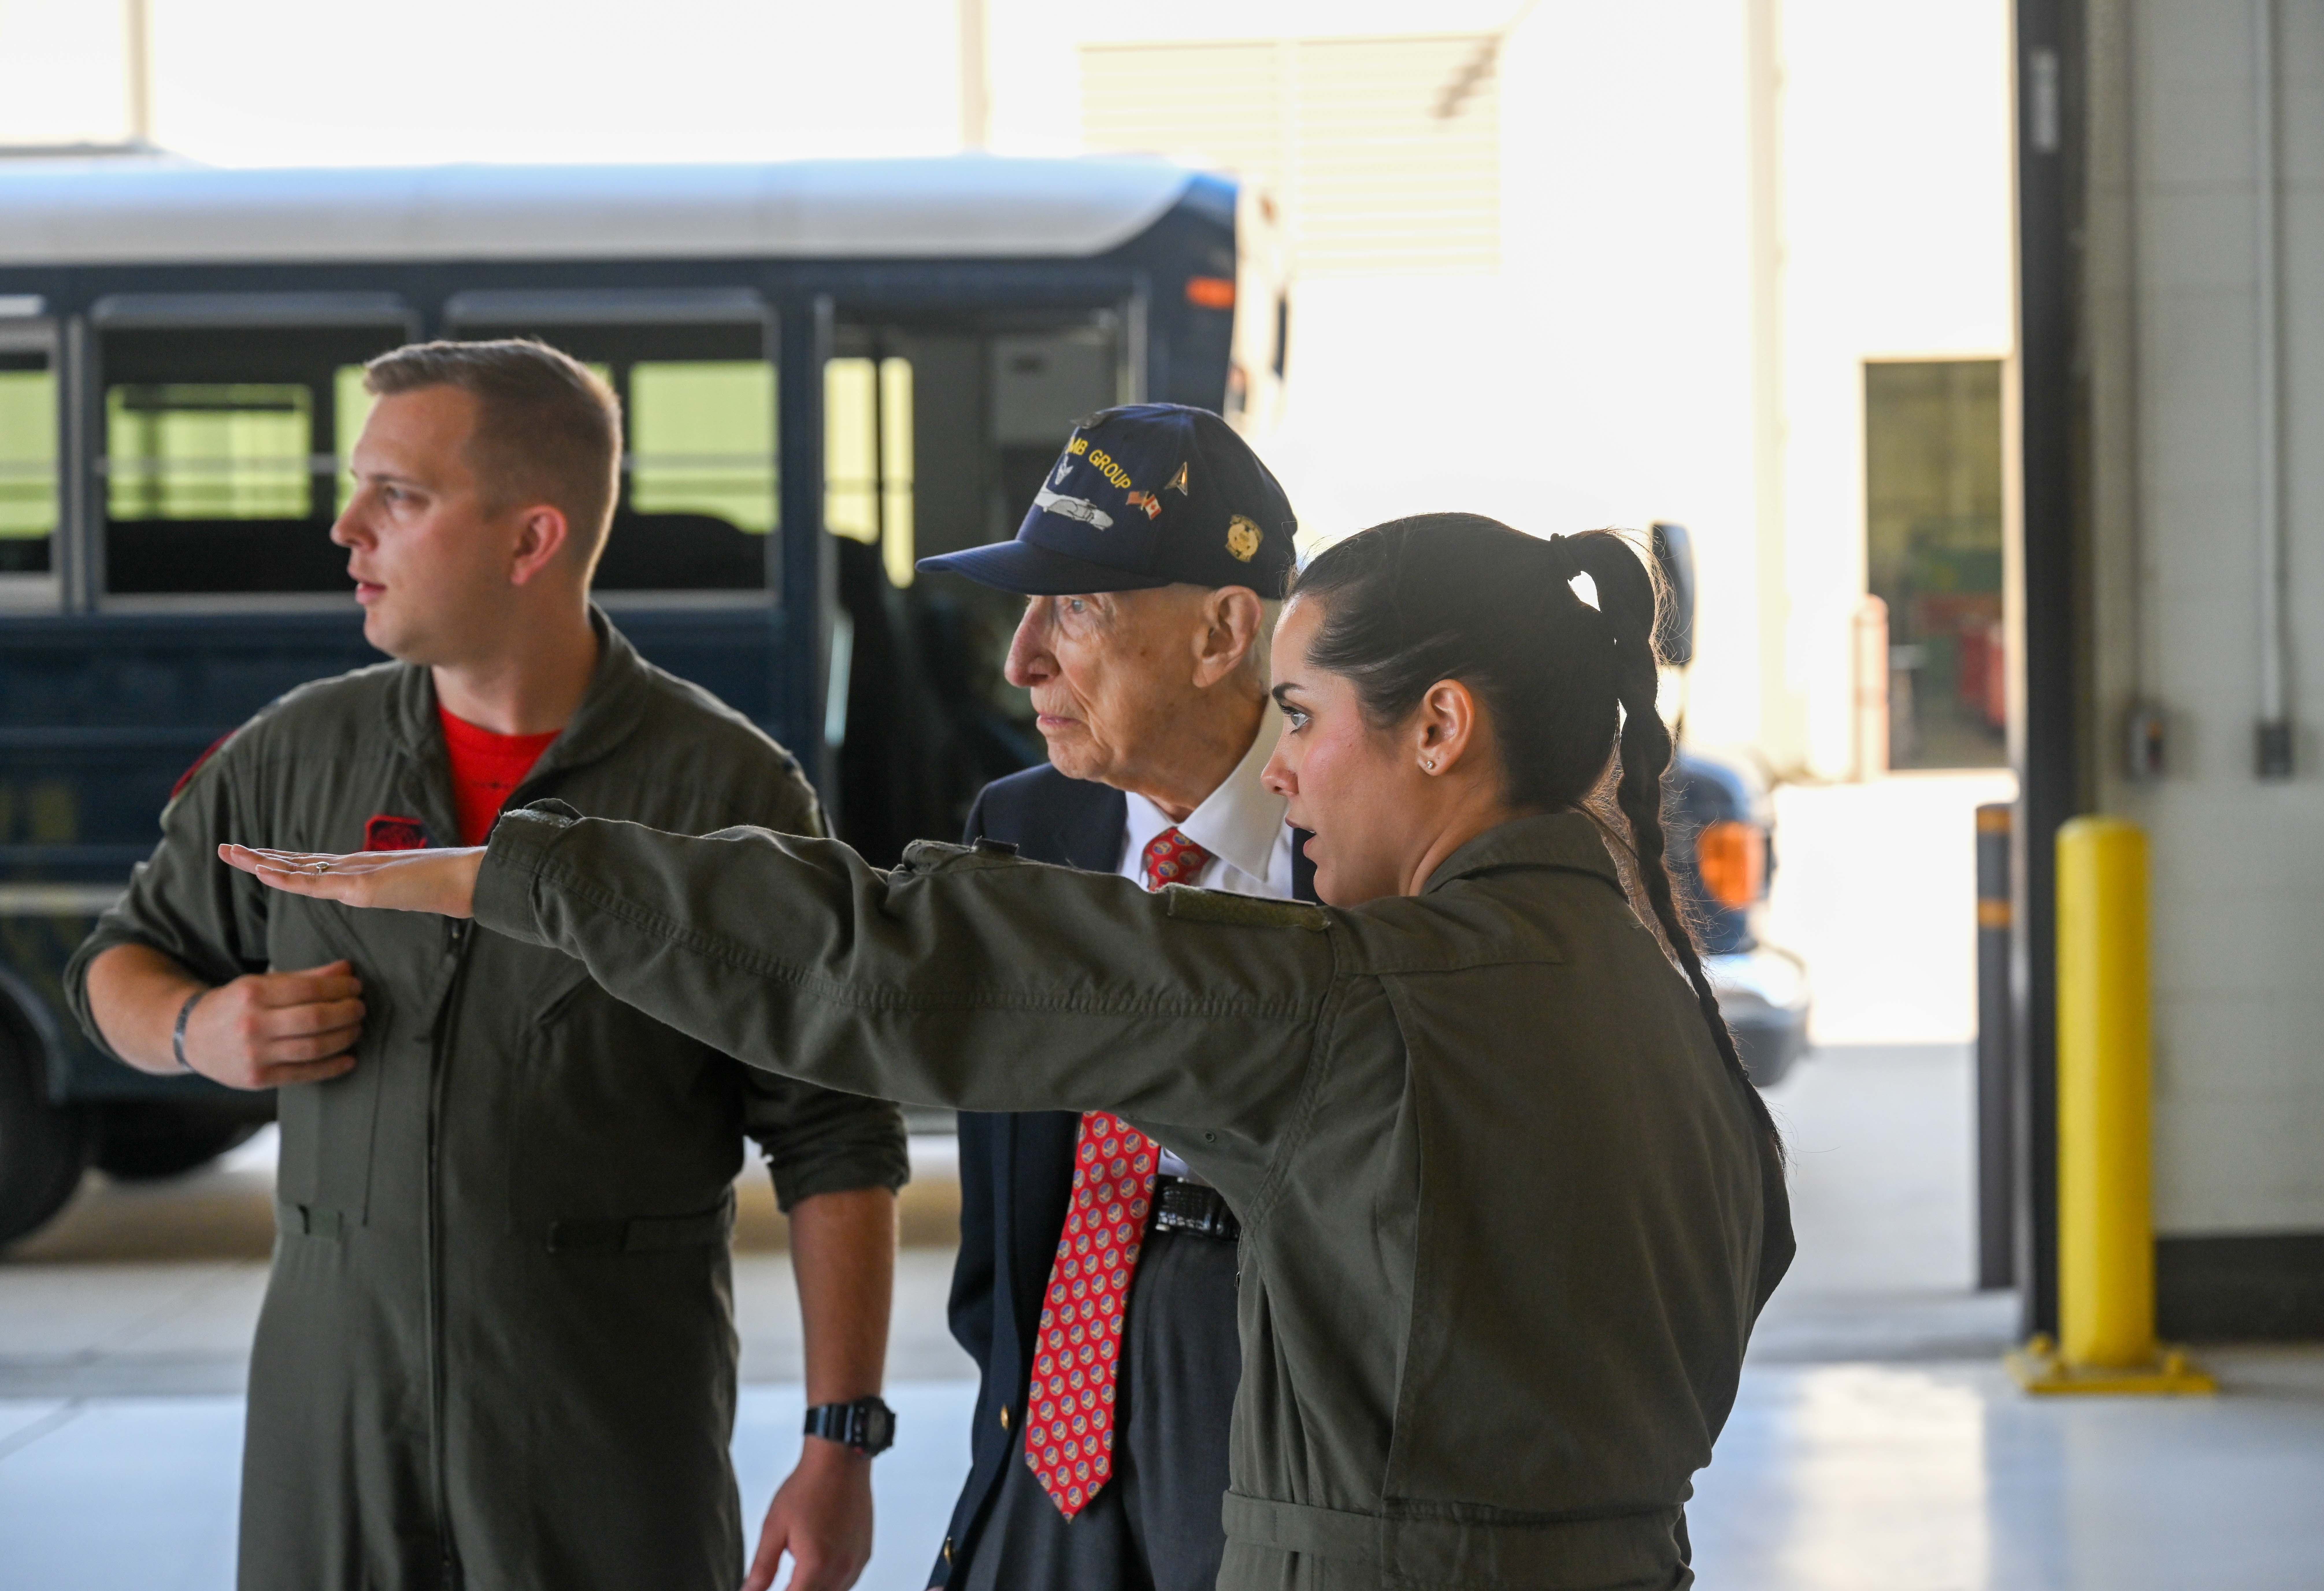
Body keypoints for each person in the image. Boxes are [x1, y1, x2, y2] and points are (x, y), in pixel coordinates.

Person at [223, 511, 1797, 1591]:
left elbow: (910, 960)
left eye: (1304, 717)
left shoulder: (1354, 1004)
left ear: (1440, 731)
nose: (1290, 770)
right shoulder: (1676, 1024)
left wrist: (527, 875)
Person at [66, 339, 910, 1591]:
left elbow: (835, 1132)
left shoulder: (723, 796)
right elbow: (115, 965)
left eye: (397, 496)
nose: (347, 528)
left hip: (606, 1433)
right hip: (334, 1423)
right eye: (360, 487)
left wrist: (841, 1441)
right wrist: (198, 1028)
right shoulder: (298, 759)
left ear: (532, 541)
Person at [907, 404, 1311, 1591]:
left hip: (1261, 1383)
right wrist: (1013, 1364)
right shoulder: (1024, 826)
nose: (1018, 658)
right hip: (1050, 1409)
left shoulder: (1357, 842)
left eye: (1074, 607)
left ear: (1223, 632)